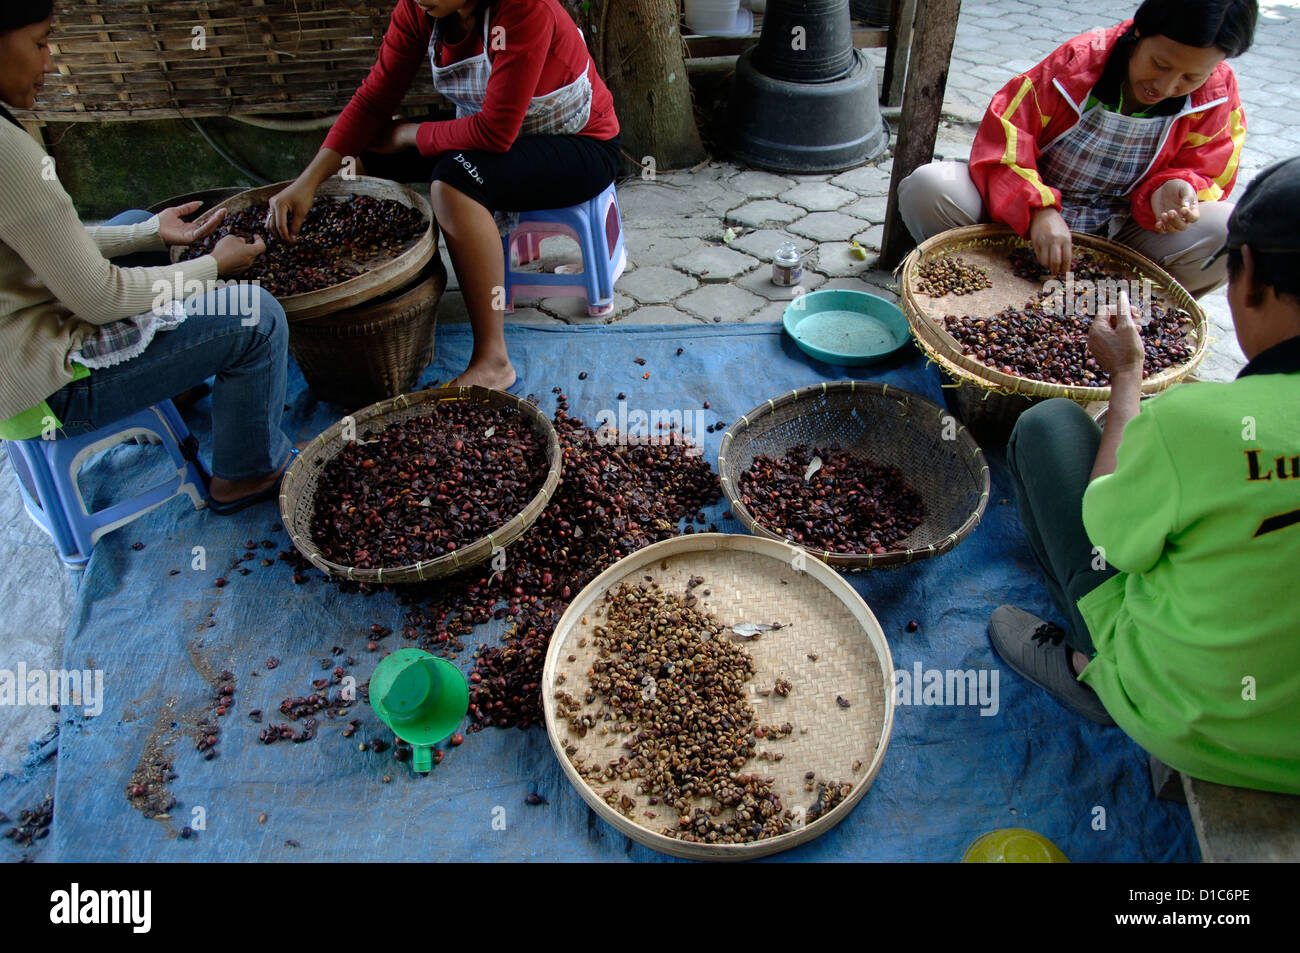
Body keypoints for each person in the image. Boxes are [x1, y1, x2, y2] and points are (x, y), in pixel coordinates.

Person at [988, 156, 1300, 795]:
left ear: (1249, 285)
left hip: (1192, 724)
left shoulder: (1200, 425)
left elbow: (1109, 537)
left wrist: (1126, 378)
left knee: (1049, 427)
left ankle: (1090, 665)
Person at [0, 2, 299, 513]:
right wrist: (214, 268)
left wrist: (147, 231)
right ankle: (247, 474)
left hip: (12, 358)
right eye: (40, 42)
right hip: (45, 393)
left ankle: (171, 386)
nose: (48, 63)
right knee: (258, 316)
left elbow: (39, 239)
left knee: (136, 225)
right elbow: (101, 298)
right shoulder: (10, 153)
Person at [268, 0, 622, 392]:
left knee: (452, 182)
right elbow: (373, 100)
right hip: (493, 133)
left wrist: (409, 134)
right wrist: (307, 181)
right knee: (365, 150)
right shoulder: (419, 9)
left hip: (579, 146)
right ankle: (380, 307)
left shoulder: (525, 8)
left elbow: (495, 132)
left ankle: (493, 361)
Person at [898, 0, 1257, 298]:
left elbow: (1211, 171)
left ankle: (1120, 309)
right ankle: (978, 285)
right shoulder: (1077, 63)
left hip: (1124, 231)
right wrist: (1039, 210)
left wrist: (1175, 190)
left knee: (1231, 231)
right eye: (1159, 64)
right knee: (929, 187)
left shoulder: (1217, 95)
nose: (1165, 85)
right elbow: (1003, 140)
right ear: (1138, 32)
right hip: (1019, 223)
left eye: (1190, 78)